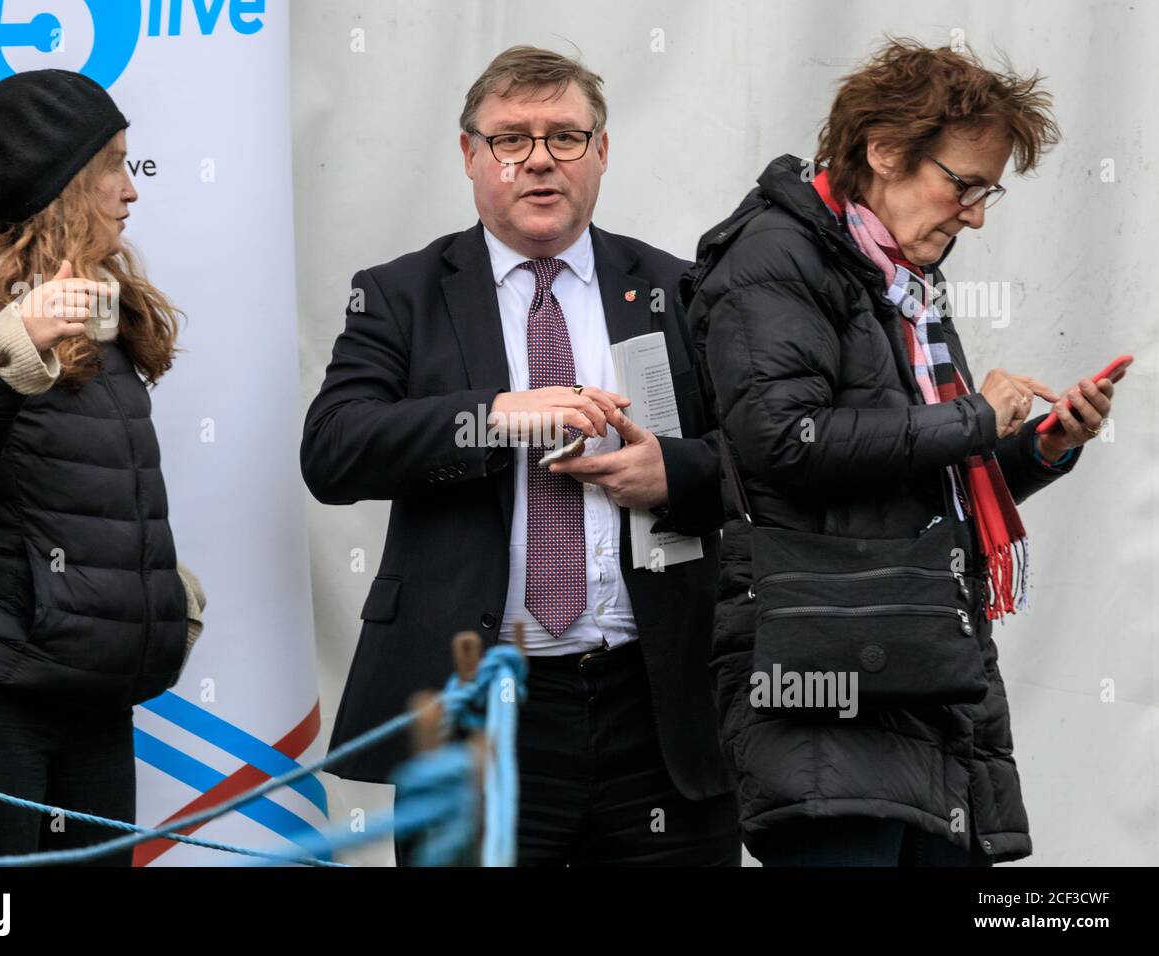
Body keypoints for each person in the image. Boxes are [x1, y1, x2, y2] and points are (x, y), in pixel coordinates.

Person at [685, 39, 1120, 866]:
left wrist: (1037, 447)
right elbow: (786, 440)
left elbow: (917, 480)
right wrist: (972, 420)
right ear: (884, 151)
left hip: (920, 660)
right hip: (829, 672)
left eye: (989, 192)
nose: (977, 214)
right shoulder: (776, 256)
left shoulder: (895, 276)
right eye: (964, 185)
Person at [302, 46, 737, 865]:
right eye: (510, 139)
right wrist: (494, 417)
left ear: (602, 152)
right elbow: (333, 450)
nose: (539, 159)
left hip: (660, 706)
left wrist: (670, 475)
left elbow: (759, 462)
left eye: (565, 136)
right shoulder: (401, 293)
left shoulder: (679, 289)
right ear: (469, 155)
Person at [0, 69, 205, 864]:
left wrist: (150, 591)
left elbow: (80, 493)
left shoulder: (101, 314)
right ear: (60, 184)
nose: (131, 191)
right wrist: (8, 350)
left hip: (89, 698)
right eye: (114, 166)